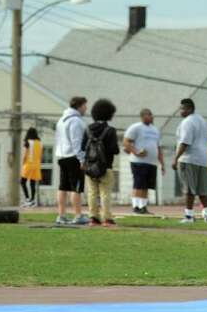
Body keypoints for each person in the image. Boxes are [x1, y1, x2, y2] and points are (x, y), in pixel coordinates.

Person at [173, 98, 207, 223]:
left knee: (189, 189)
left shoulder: (187, 122)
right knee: (203, 190)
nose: (180, 111)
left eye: (182, 108)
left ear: (189, 109)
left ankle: (189, 216)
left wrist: (176, 158)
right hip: (203, 158)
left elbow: (185, 142)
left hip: (189, 159)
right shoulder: (201, 120)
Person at [83, 98, 121, 228]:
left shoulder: (88, 129)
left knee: (92, 192)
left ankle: (93, 218)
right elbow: (114, 150)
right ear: (109, 114)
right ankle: (107, 218)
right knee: (105, 192)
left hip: (90, 166)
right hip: (106, 167)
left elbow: (83, 147)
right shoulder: (110, 130)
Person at [53, 96, 90, 226]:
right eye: (85, 106)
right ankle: (78, 215)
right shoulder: (76, 121)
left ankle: (61, 215)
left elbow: (57, 139)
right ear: (79, 106)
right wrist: (82, 159)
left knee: (63, 187)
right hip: (73, 157)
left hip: (62, 157)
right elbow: (76, 142)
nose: (86, 108)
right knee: (77, 188)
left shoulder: (61, 120)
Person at [123, 108, 164, 215]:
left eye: (151, 114)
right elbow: (126, 142)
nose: (151, 116)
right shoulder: (136, 127)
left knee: (146, 186)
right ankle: (136, 207)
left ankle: (143, 207)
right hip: (138, 161)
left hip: (151, 162)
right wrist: (136, 151)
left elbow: (159, 148)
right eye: (149, 115)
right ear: (143, 116)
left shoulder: (155, 130)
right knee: (139, 184)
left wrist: (162, 164)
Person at [19, 127, 43, 208]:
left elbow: (25, 154)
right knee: (33, 183)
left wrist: (22, 164)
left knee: (22, 182)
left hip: (28, 164)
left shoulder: (27, 142)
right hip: (36, 165)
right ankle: (33, 200)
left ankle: (27, 199)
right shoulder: (39, 143)